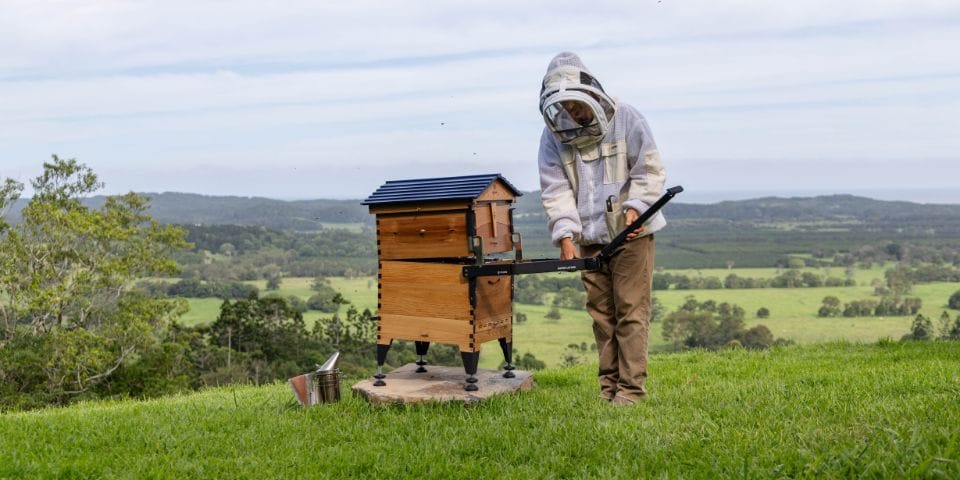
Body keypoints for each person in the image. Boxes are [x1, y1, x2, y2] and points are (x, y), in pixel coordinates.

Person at [537, 51, 666, 406]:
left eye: (578, 107)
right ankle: (609, 390)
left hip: (632, 234)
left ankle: (631, 392)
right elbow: (556, 188)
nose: (574, 115)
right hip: (590, 240)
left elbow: (649, 169)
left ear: (592, 95)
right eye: (567, 109)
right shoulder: (552, 137)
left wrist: (636, 209)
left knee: (630, 312)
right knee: (601, 317)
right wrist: (565, 234)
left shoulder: (627, 118)